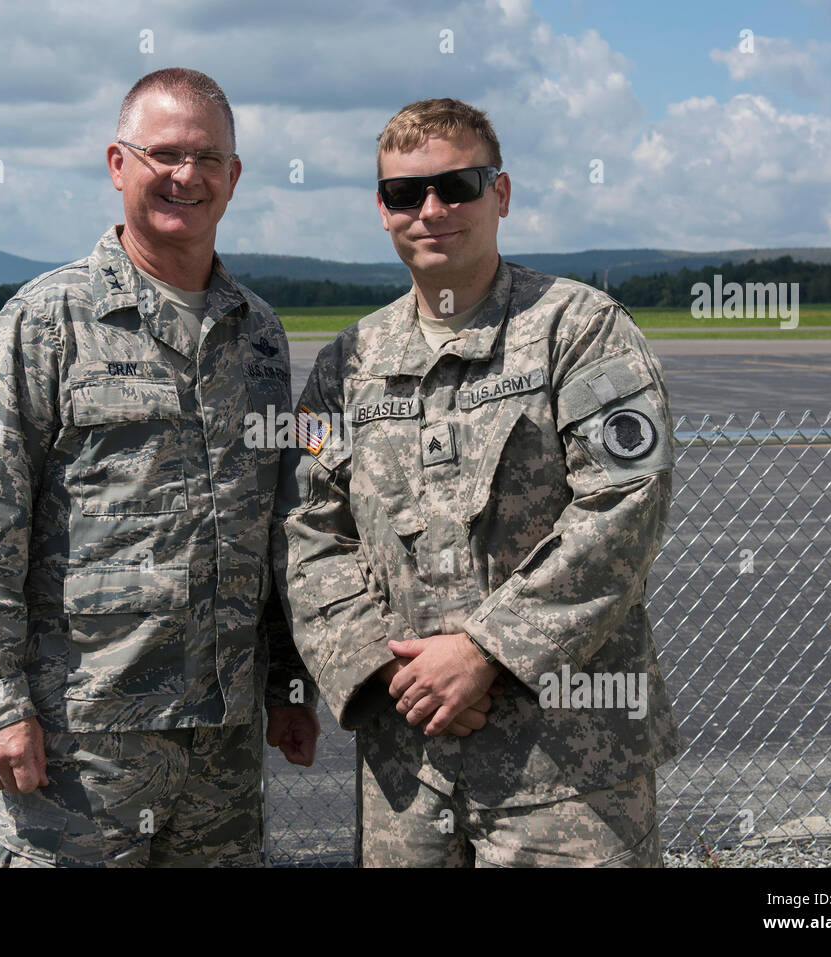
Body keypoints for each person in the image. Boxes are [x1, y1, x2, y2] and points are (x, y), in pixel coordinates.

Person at [0, 67, 319, 868]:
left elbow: (275, 525)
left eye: (207, 158)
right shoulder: (48, 322)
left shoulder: (259, 335)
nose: (185, 176)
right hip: (76, 753)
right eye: (163, 153)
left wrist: (286, 686)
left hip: (220, 759)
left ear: (234, 177)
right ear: (117, 163)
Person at [272, 98, 680, 867]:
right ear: (383, 210)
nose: (431, 209)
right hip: (409, 769)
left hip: (568, 779)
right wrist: (385, 666)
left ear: (501, 194)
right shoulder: (345, 365)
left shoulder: (578, 329)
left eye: (456, 185)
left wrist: (485, 651)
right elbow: (305, 531)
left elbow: (625, 505)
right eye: (404, 193)